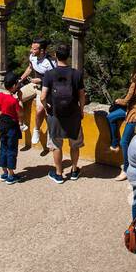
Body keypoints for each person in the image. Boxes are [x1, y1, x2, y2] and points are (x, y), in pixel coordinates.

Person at [41, 42, 86, 183]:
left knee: (56, 145)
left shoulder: (49, 74)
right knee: (75, 144)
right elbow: (82, 96)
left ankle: (59, 174)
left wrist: (47, 108)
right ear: (68, 57)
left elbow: (42, 96)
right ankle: (73, 171)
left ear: (55, 56)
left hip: (55, 115)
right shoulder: (76, 74)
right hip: (73, 115)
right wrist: (81, 110)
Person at [107, 61, 136, 181]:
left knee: (124, 141)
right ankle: (114, 143)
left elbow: (125, 101)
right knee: (111, 118)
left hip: (135, 115)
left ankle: (126, 169)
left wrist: (117, 101)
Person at [15, 38, 55, 154]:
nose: (31, 50)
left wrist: (41, 80)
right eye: (31, 48)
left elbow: (53, 79)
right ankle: (21, 124)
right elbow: (30, 68)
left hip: (44, 89)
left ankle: (36, 129)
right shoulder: (32, 56)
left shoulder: (49, 63)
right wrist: (20, 79)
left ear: (42, 50)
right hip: (34, 85)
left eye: (34, 49)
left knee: (40, 109)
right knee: (16, 97)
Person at [0, 76, 24, 184]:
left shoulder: (0, 96)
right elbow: (20, 113)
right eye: (16, 84)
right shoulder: (13, 101)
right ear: (13, 87)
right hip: (12, 127)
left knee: (3, 147)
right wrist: (20, 99)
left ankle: (4, 172)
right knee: (12, 149)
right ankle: (11, 175)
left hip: (2, 124)